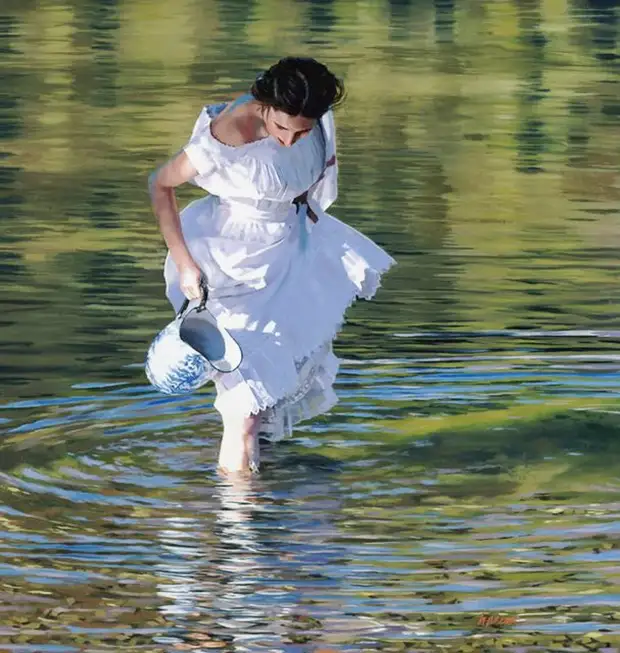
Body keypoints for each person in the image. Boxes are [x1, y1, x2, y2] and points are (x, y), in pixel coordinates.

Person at [149, 57, 395, 475]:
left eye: (302, 131)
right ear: (264, 104)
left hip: (286, 256)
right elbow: (159, 183)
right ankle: (239, 525)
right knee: (242, 406)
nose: (290, 140)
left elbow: (305, 173)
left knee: (263, 402)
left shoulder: (313, 116)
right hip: (228, 264)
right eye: (282, 128)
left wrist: (298, 199)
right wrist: (186, 264)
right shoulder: (226, 135)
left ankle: (260, 505)